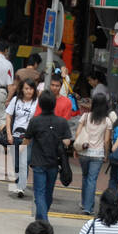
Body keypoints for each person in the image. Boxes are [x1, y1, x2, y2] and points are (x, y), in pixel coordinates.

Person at [23, 89, 73, 221]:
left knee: (39, 192)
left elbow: (26, 140)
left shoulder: (35, 121)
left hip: (39, 162)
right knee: (48, 193)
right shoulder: (62, 122)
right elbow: (67, 141)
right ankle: (41, 219)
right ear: (54, 104)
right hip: (54, 162)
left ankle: (43, 220)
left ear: (40, 104)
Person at [73, 92, 117, 214]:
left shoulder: (85, 117)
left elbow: (77, 134)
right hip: (97, 154)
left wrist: (76, 149)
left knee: (85, 177)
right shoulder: (107, 121)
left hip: (84, 152)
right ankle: (88, 207)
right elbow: (107, 140)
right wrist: (106, 154)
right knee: (92, 180)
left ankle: (83, 202)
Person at [4, 78, 38, 198]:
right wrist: (9, 134)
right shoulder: (16, 100)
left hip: (28, 138)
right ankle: (19, 182)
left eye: (31, 88)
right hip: (15, 136)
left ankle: (20, 188)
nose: (29, 91)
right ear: (22, 90)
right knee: (17, 164)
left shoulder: (36, 102)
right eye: (26, 88)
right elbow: (8, 116)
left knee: (24, 162)